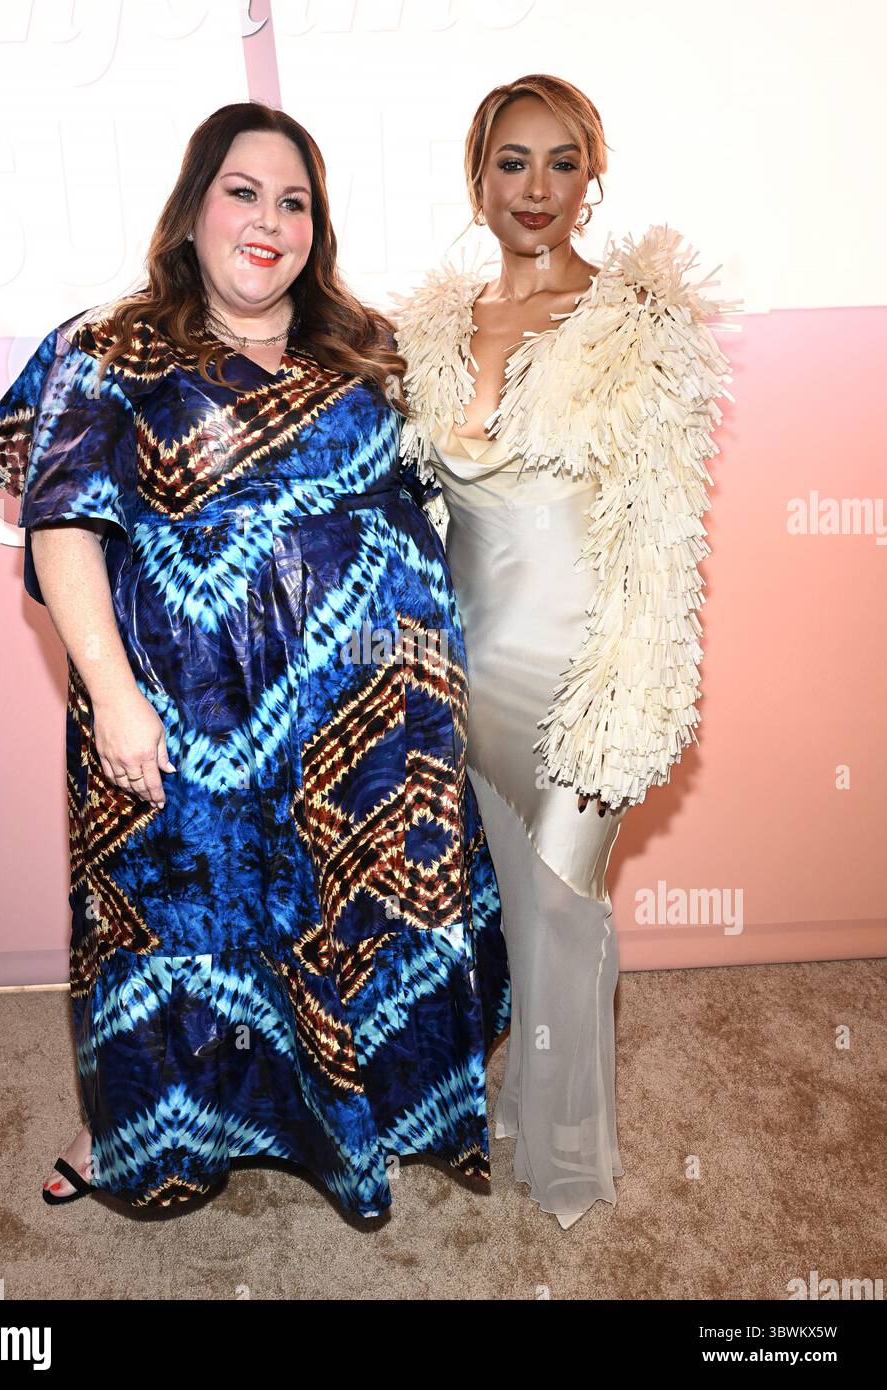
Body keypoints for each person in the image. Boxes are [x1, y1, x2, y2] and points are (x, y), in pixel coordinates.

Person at [0, 101, 510, 1219]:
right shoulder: (111, 348)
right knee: (171, 937)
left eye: (295, 200)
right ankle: (128, 1133)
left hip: (369, 725)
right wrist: (113, 698)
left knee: (349, 925)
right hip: (186, 720)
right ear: (194, 207)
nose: (271, 220)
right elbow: (62, 525)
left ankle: (366, 1117)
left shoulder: (366, 346)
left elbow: (469, 470)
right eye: (244, 192)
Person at [391, 74, 738, 1226]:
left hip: (590, 678)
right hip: (469, 672)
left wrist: (637, 693)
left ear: (593, 175)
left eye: (560, 162)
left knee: (565, 901)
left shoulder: (640, 323)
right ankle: (522, 1109)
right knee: (511, 908)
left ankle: (571, 1154)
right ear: (478, 177)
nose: (534, 189)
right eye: (511, 162)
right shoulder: (432, 329)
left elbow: (664, 532)